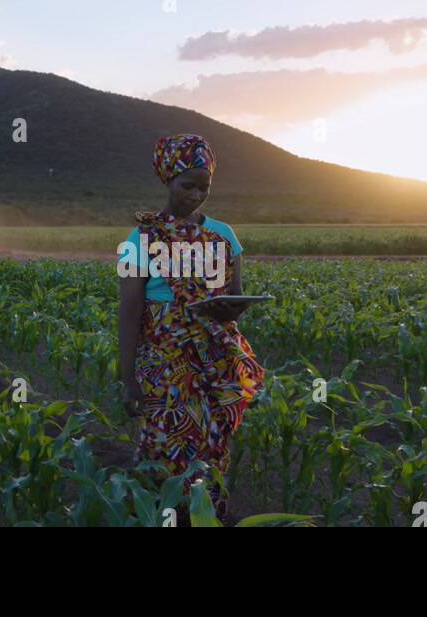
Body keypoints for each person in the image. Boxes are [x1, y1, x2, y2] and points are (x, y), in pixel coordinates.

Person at [117, 133, 264, 524]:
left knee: (214, 444)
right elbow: (129, 310)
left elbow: (234, 298)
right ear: (168, 179)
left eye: (205, 187)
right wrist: (127, 375)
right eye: (188, 185)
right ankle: (160, 513)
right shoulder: (140, 240)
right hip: (164, 357)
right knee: (163, 441)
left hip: (214, 357)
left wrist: (226, 311)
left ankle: (205, 516)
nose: (197, 194)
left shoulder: (224, 235)